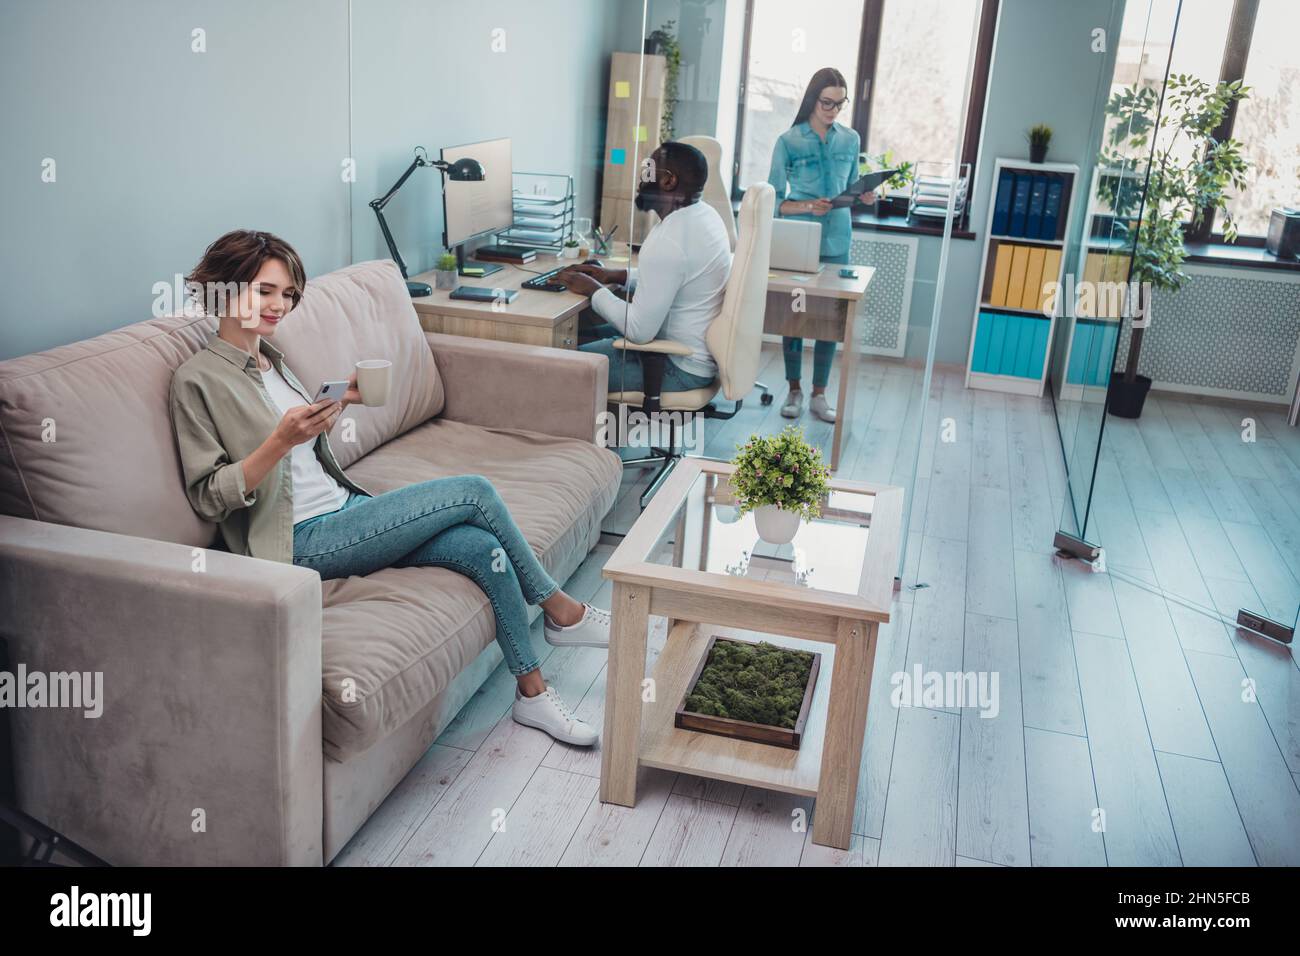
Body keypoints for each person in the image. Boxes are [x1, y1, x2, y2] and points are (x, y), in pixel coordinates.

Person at [169, 229, 607, 747]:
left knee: (483, 549)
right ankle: (561, 610)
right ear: (226, 286)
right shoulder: (196, 380)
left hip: (344, 507)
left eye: (287, 295)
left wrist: (338, 406)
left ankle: (532, 695)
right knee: (473, 491)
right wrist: (280, 440)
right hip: (294, 539)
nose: (279, 305)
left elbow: (304, 458)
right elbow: (209, 493)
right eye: (265, 291)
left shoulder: (272, 358)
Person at [550, 141, 732, 395]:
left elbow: (638, 332)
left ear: (668, 181)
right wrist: (617, 276)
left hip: (676, 366)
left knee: (550, 369)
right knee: (581, 333)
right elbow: (676, 276)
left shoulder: (668, 241)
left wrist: (593, 289)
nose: (641, 175)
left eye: (649, 168)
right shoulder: (705, 216)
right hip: (687, 351)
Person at [768, 67, 875, 423]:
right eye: (827, 102)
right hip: (799, 238)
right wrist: (807, 206)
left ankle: (819, 393)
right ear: (813, 99)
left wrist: (867, 195)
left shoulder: (850, 140)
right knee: (794, 317)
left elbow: (854, 186)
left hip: (838, 237)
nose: (832, 110)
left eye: (839, 105)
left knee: (831, 318)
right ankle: (794, 389)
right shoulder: (789, 141)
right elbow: (773, 201)